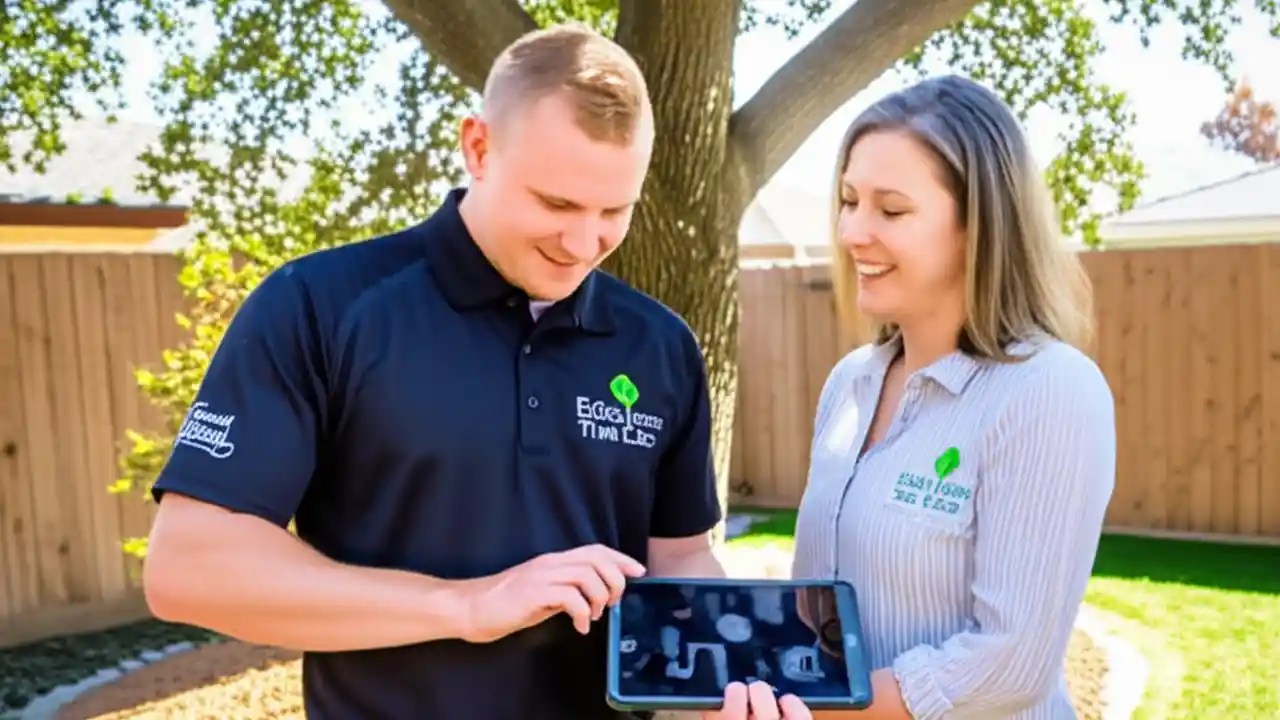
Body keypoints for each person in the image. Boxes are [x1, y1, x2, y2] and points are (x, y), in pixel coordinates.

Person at [142, 22, 726, 720]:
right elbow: (190, 568)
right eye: (556, 203)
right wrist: (467, 605)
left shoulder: (660, 345)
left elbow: (680, 558)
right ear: (478, 148)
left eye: (614, 211)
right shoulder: (322, 306)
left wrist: (722, 683)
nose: (582, 243)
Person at [708, 74, 1116, 720]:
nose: (852, 231)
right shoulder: (851, 384)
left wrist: (821, 710)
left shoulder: (1048, 390)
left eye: (891, 210)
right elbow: (816, 613)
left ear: (980, 226)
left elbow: (1010, 663)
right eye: (848, 201)